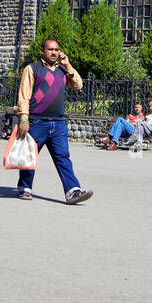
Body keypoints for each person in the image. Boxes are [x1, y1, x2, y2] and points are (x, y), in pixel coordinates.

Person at [13, 39, 92, 204]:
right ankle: (25, 188)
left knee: (63, 157)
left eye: (56, 49)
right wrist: (24, 118)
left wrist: (68, 65)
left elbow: (78, 85)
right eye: (50, 49)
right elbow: (24, 95)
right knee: (30, 156)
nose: (54, 53)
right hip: (36, 122)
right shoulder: (32, 69)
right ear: (42, 51)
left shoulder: (63, 70)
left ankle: (73, 191)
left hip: (58, 123)